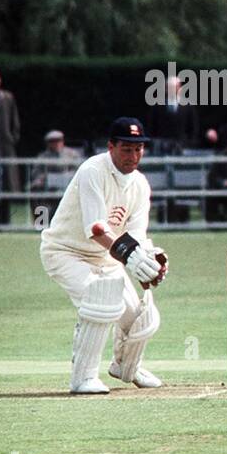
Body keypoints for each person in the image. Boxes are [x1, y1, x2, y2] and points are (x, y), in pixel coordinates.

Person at [38, 117, 168, 394]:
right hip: (65, 252)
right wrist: (130, 256)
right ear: (111, 146)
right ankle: (83, 377)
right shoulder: (92, 170)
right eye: (126, 149)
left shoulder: (140, 185)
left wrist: (150, 262)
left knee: (140, 318)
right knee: (101, 301)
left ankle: (126, 366)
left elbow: (136, 236)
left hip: (105, 258)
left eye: (138, 149)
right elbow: (96, 229)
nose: (133, 156)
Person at [30, 129, 82, 223]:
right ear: (48, 143)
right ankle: (41, 223)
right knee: (34, 190)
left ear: (62, 141)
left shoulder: (72, 154)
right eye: (52, 141)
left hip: (69, 187)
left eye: (58, 140)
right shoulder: (42, 157)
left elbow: (79, 171)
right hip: (49, 188)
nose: (56, 143)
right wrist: (41, 179)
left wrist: (68, 176)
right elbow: (36, 174)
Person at [0, 69, 21, 223]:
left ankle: (4, 220)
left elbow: (14, 120)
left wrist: (12, 138)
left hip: (4, 147)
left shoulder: (7, 98)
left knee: (5, 183)